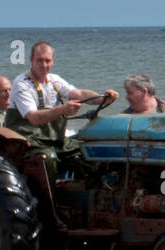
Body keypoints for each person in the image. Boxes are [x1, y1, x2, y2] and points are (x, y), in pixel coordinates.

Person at [6, 42, 117, 181]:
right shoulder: (21, 83)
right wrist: (62, 109)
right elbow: (34, 118)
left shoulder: (55, 80)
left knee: (89, 150)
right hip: (28, 142)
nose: (44, 65)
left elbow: (79, 93)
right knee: (47, 159)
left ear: (53, 60)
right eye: (39, 60)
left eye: (47, 60)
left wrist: (102, 99)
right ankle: (47, 200)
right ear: (31, 60)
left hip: (54, 140)